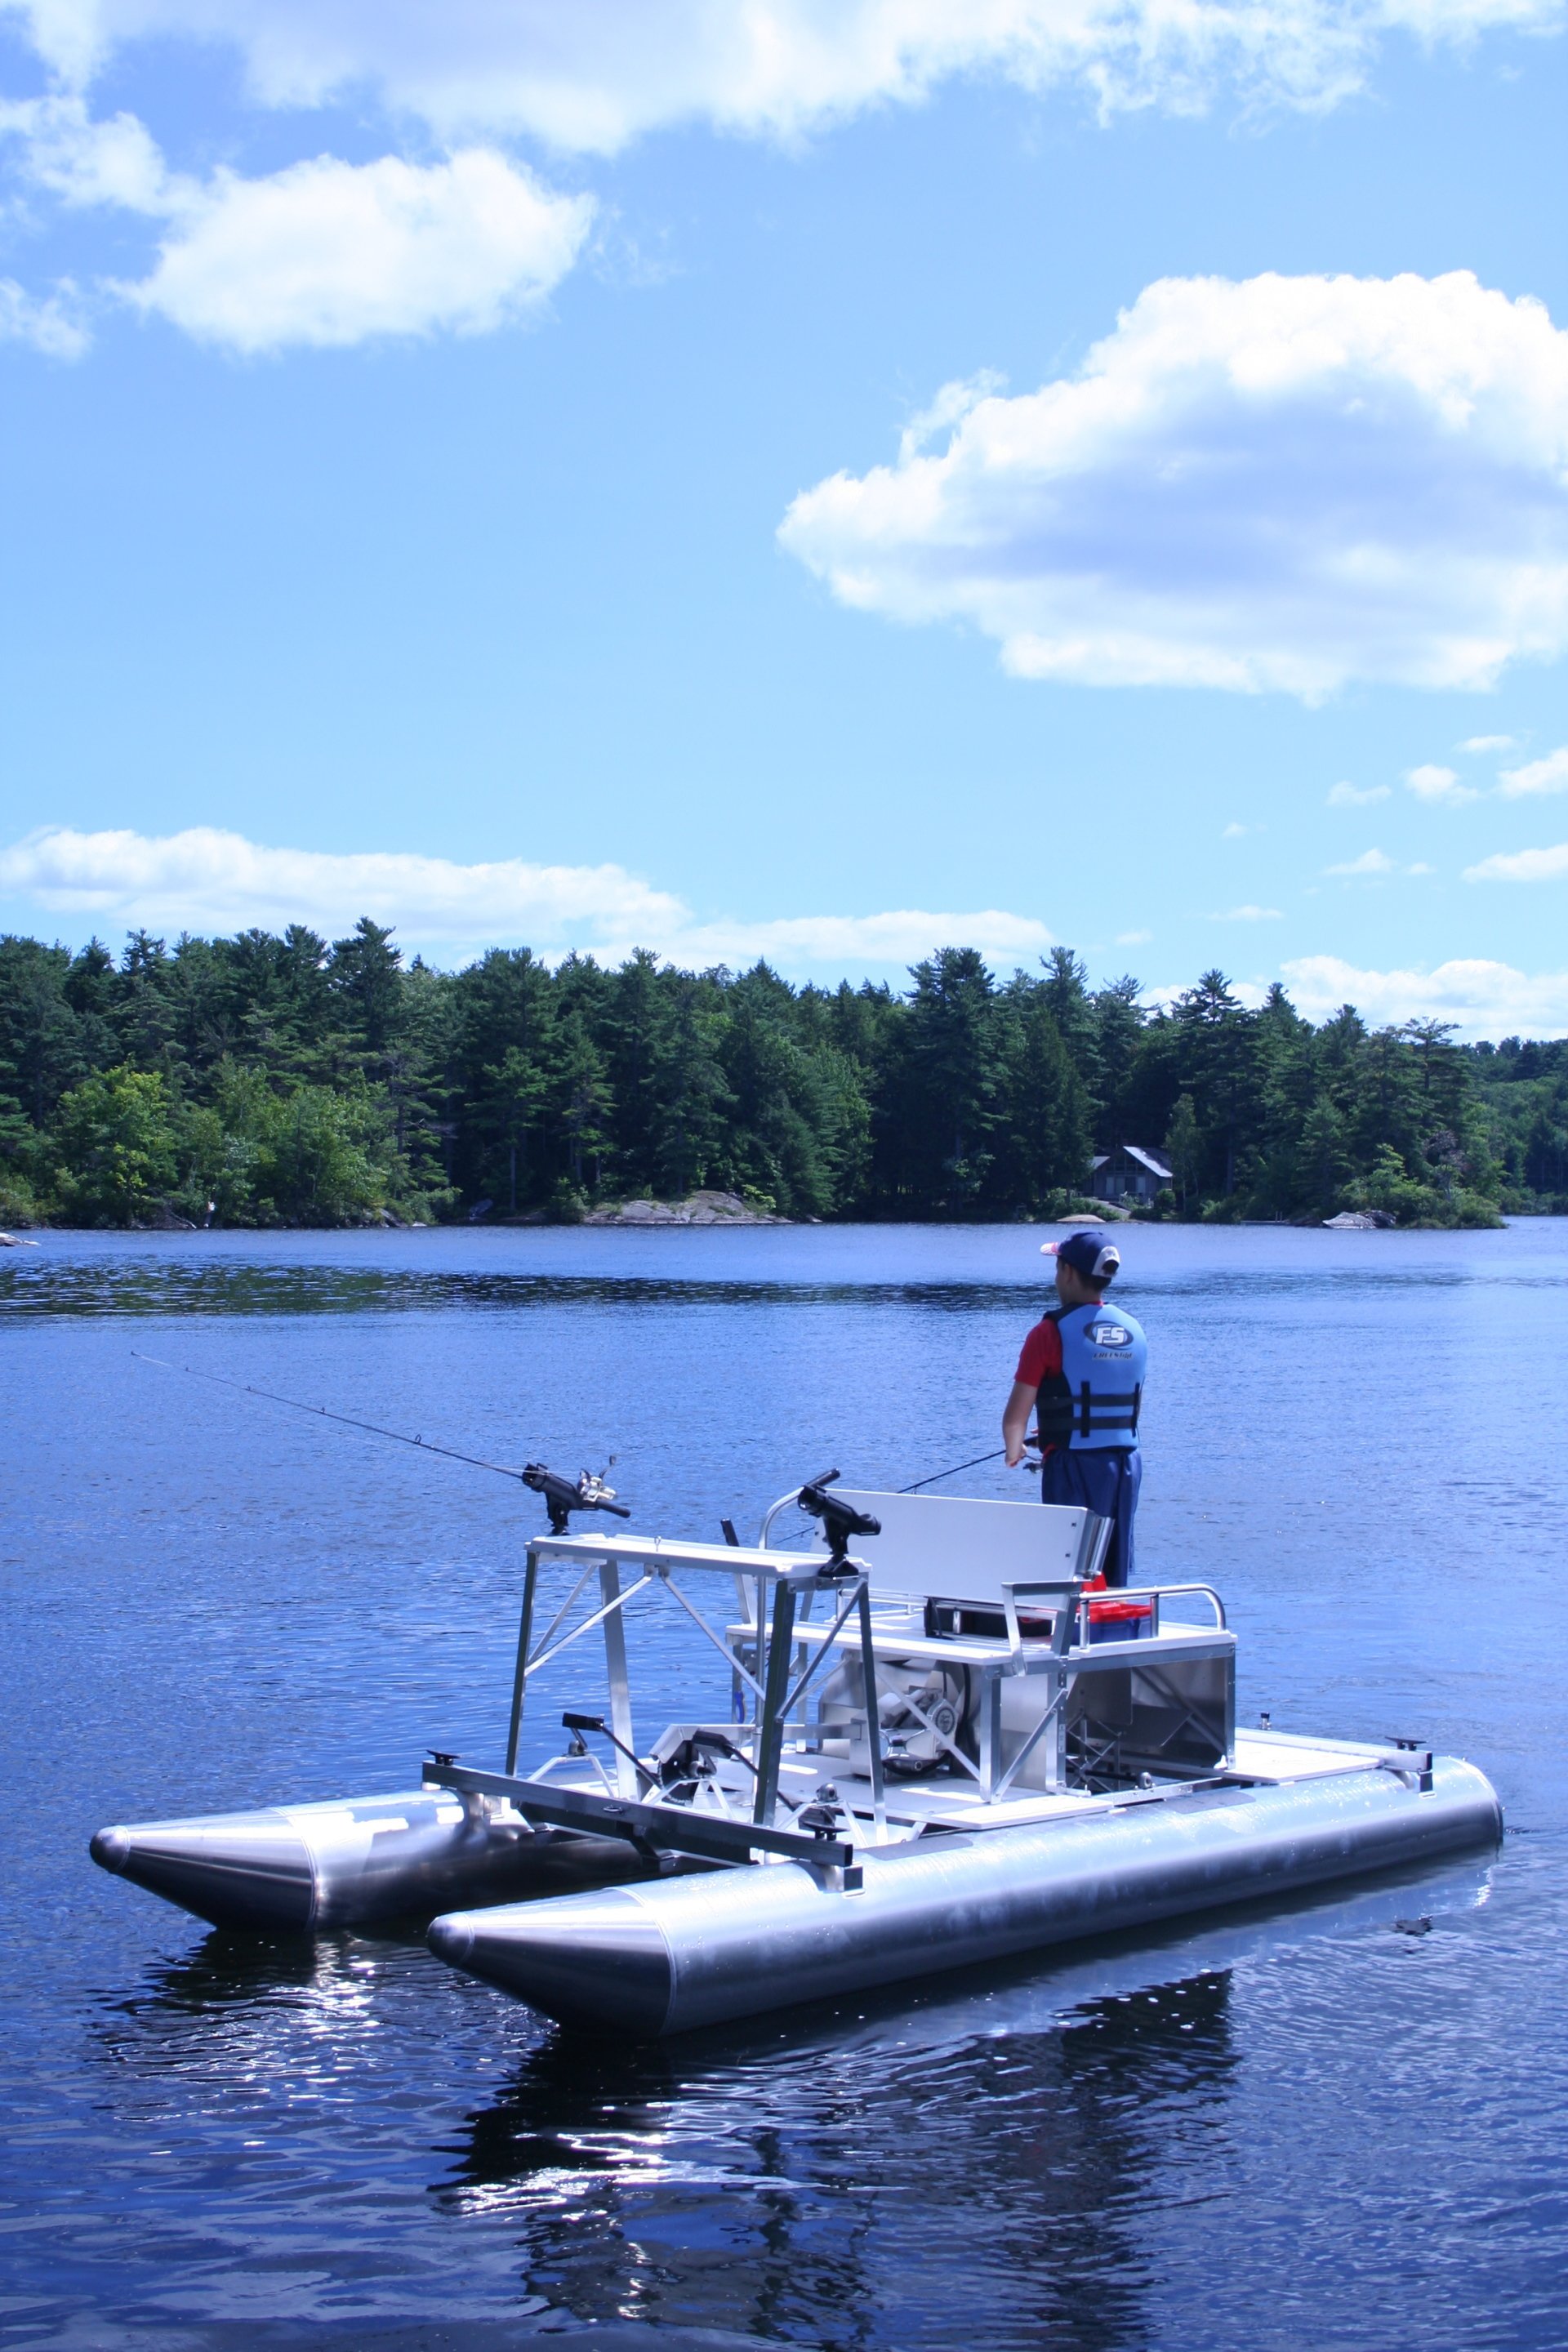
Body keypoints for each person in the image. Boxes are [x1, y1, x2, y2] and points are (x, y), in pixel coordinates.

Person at [1002, 1230, 1147, 1587]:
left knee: (1069, 1570)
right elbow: (1119, 1406)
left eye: (1057, 1267)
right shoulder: (1134, 1328)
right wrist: (1060, 1426)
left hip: (1073, 1466)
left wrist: (1015, 1448)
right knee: (1110, 1575)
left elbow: (1014, 1420)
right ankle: (1110, 1615)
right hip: (1126, 1466)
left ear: (1067, 1272)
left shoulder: (1048, 1333)